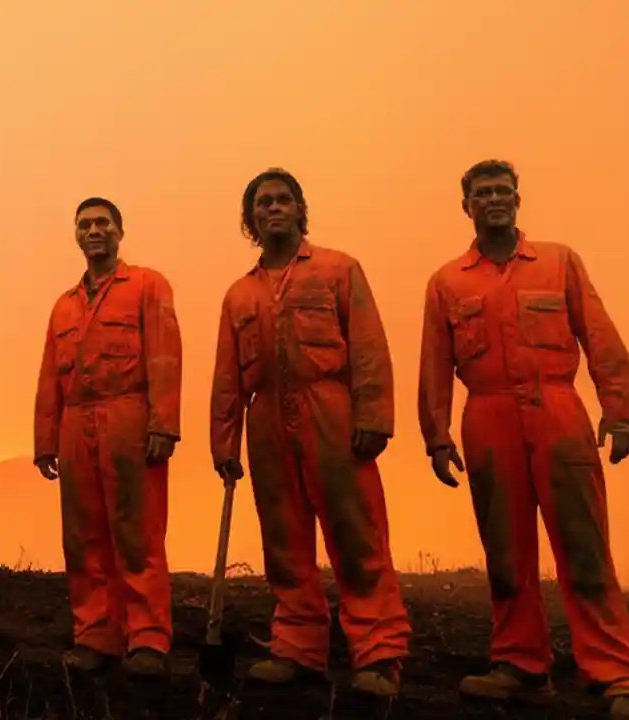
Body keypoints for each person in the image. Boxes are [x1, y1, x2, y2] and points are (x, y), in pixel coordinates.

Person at [418, 159, 629, 719]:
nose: (494, 198)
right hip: (488, 417)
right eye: (482, 192)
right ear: (467, 206)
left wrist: (619, 413)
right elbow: (433, 364)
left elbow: (599, 335)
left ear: (518, 199)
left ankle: (616, 676)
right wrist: (436, 435)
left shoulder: (558, 261)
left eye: (503, 190)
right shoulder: (447, 282)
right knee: (505, 551)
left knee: (584, 545)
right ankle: (519, 665)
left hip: (558, 410)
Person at [209, 168, 411, 697]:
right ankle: (297, 649)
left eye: (282, 200)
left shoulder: (339, 270)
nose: (273, 209)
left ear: (301, 209)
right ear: (249, 221)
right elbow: (227, 376)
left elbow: (368, 346)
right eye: (262, 204)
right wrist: (224, 443)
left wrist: (373, 417)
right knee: (283, 539)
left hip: (332, 410)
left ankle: (378, 653)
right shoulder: (238, 295)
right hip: (267, 420)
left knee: (356, 532)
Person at [32, 197, 182, 678]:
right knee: (83, 535)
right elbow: (49, 377)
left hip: (128, 415)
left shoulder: (147, 286)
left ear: (120, 231)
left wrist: (163, 423)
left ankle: (147, 639)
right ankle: (96, 636)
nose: (94, 230)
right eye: (85, 224)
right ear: (76, 235)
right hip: (76, 422)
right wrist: (45, 438)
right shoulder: (64, 305)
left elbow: (164, 355)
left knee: (137, 531)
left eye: (103, 223)